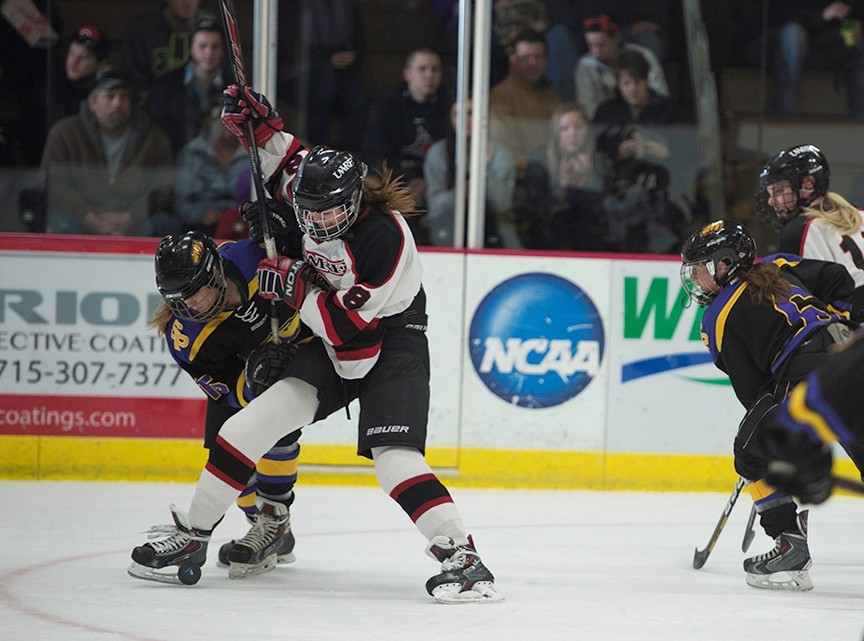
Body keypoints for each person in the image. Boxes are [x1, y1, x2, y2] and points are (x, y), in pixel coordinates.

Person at [130, 83, 503, 603]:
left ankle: (463, 556)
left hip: (389, 337)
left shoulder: (385, 240)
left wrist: (294, 283)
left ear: (354, 200)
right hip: (328, 334)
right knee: (247, 423)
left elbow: (348, 333)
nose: (317, 221)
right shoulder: (312, 191)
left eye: (328, 212)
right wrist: (254, 126)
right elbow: (281, 155)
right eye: (306, 209)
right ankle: (192, 535)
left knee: (395, 459)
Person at [679, 219, 859, 591]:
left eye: (699, 271)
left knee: (750, 447)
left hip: (804, 377)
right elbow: (839, 280)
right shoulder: (778, 264)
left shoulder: (717, 317)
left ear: (724, 263)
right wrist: (845, 322)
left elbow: (754, 393)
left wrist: (769, 451)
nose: (696, 281)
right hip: (848, 363)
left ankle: (788, 542)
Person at [130, 227, 314, 581]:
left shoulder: (253, 257)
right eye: (178, 299)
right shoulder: (186, 338)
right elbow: (228, 390)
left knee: (276, 424)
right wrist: (254, 378)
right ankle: (269, 529)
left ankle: (274, 521)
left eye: (195, 292)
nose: (191, 305)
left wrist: (283, 226)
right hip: (244, 373)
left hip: (305, 351)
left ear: (215, 271)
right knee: (228, 455)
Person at [40, 67, 178, 236]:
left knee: (165, 225)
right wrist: (90, 219)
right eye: (109, 97)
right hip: (81, 220)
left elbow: (162, 190)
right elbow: (56, 186)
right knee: (60, 222)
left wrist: (129, 217)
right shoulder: (65, 134)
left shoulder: (155, 139)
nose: (117, 103)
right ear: (92, 103)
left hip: (135, 223)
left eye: (124, 97)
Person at [592, 49, 689, 253]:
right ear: (618, 84)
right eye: (626, 83)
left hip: (662, 190)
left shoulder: (669, 112)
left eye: (637, 82)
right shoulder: (607, 113)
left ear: (647, 81)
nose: (632, 89)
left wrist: (666, 154)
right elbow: (595, 152)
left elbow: (690, 153)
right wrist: (617, 152)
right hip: (617, 191)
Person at [755, 144, 864, 318]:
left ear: (807, 186)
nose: (771, 201)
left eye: (779, 191)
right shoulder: (861, 214)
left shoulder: (798, 231)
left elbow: (802, 307)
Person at [362, 48, 452, 244]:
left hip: (440, 184)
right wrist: (407, 182)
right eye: (422, 69)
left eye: (435, 69)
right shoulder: (386, 108)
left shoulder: (451, 107)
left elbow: (457, 155)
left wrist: (430, 181)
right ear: (407, 74)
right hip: (399, 184)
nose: (429, 74)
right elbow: (376, 154)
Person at [734, 0, 864, 117]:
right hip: (772, 41)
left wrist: (851, 30)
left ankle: (860, 116)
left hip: (819, 46)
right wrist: (823, 15)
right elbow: (783, 15)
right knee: (793, 34)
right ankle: (784, 114)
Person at [424, 99, 518, 248]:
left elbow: (503, 203)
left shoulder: (500, 153)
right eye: (457, 114)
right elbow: (435, 206)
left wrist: (486, 170)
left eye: (470, 113)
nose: (464, 119)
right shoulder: (439, 153)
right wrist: (462, 192)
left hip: (495, 231)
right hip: (447, 232)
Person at [278, 0, 367, 153]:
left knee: (356, 101)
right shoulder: (293, 4)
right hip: (296, 74)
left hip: (338, 75)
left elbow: (358, 41)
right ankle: (317, 149)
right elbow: (290, 45)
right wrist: (328, 58)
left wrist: (350, 56)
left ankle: (345, 156)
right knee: (323, 81)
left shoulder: (347, 5)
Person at [516, 101, 606, 250]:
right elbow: (534, 216)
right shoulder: (540, 162)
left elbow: (606, 214)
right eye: (565, 128)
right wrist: (562, 189)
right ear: (556, 133)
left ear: (587, 130)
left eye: (578, 127)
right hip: (548, 245)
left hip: (590, 246)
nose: (572, 134)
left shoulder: (600, 161)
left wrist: (586, 183)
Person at [146, 16, 228, 157]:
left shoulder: (233, 86)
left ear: (222, 51)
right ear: (191, 49)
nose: (209, 53)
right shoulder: (166, 85)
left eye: (215, 46)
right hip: (175, 164)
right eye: (202, 46)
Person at [174, 96, 249, 235]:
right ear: (207, 123)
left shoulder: (253, 154)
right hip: (200, 229)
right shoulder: (193, 153)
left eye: (231, 120)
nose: (224, 125)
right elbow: (181, 203)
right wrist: (201, 215)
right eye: (218, 119)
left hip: (243, 226)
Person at [489, 28, 562, 172]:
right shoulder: (500, 97)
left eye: (538, 57)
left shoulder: (551, 96)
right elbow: (506, 151)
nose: (532, 63)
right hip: (523, 177)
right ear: (513, 59)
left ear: (547, 59)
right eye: (525, 57)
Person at [574, 13, 668, 120]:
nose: (596, 51)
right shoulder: (585, 65)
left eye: (601, 45)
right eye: (591, 45)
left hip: (650, 118)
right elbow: (587, 110)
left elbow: (661, 95)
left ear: (616, 38)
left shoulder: (644, 55)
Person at [122, 0, 216, 96]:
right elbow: (134, 78)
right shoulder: (142, 30)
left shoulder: (214, 28)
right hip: (156, 102)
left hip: (200, 101)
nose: (187, 1)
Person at [46, 25, 113, 129]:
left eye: (83, 57)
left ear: (101, 63)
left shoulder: (106, 92)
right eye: (72, 53)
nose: (73, 62)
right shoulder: (52, 86)